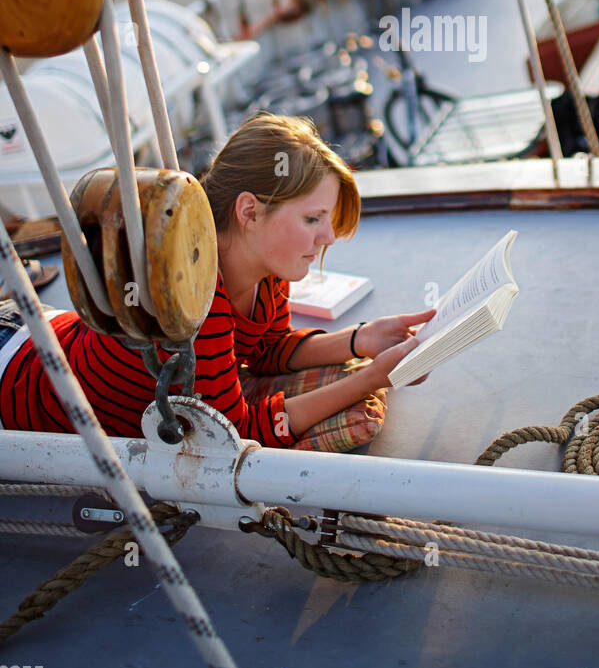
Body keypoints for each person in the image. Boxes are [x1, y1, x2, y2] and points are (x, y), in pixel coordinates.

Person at [0, 113, 434, 452]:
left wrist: (361, 340)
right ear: (249, 213)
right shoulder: (195, 306)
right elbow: (236, 433)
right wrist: (373, 378)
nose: (328, 236)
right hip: (14, 374)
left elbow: (266, 350)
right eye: (312, 219)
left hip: (37, 328)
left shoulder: (265, 275)